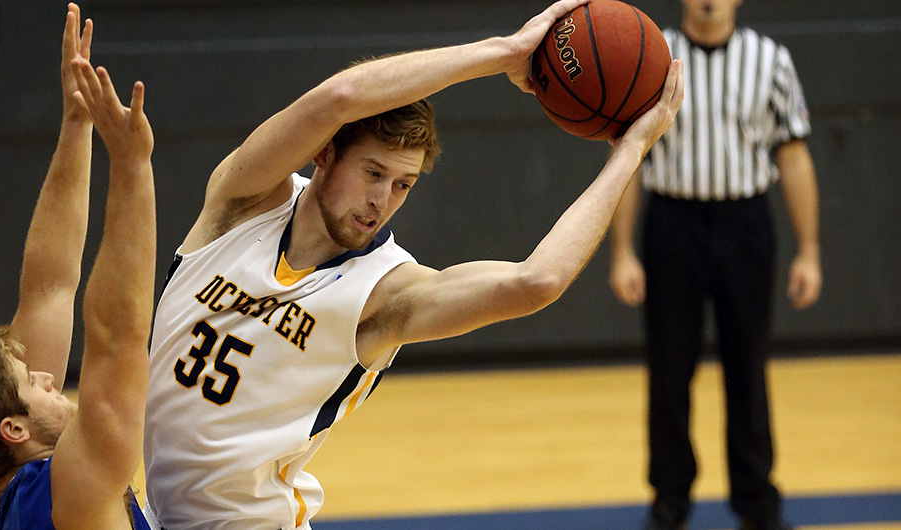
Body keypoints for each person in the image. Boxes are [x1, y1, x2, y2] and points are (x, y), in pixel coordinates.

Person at [140, 0, 683, 528]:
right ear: (324, 153)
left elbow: (536, 280)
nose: (384, 199)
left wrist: (630, 152)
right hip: (146, 513)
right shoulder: (243, 201)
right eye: (373, 173)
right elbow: (342, 96)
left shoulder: (383, 294)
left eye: (403, 184)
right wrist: (504, 52)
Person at [0, 4, 157, 529]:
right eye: (31, 383)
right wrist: (132, 170)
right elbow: (118, 337)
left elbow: (50, 288)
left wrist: (76, 122)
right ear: (14, 429)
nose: (48, 375)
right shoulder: (74, 497)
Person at [606, 0, 821, 529]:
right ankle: (669, 502)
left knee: (747, 366)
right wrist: (622, 250)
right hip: (672, 223)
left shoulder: (770, 58)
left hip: (745, 223)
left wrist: (809, 250)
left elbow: (793, 157)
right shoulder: (652, 56)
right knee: (669, 370)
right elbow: (627, 159)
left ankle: (756, 502)